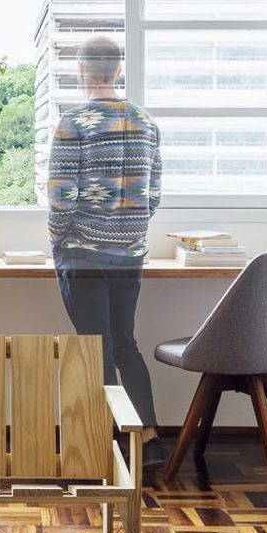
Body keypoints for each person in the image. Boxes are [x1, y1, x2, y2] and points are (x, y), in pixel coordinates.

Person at [47, 35, 162, 453]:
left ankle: (109, 445)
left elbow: (62, 195)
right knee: (124, 343)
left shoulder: (74, 122)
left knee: (95, 348)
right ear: (118, 70)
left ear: (80, 71)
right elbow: (152, 197)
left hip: (82, 252)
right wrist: (128, 233)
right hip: (130, 253)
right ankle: (146, 439)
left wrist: (60, 238)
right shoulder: (146, 122)